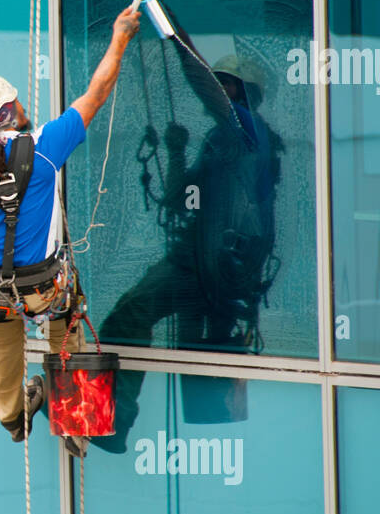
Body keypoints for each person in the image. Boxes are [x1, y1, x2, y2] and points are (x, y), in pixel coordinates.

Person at [0, 4, 140, 455]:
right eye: (15, 103)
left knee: (2, 345)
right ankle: (74, 419)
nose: (22, 106)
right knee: (65, 310)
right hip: (41, 286)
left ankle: (15, 417)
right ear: (6, 112)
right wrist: (120, 36)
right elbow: (97, 92)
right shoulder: (44, 149)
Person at [97, 50, 282, 451]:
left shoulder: (251, 134)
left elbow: (206, 93)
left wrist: (174, 39)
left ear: (247, 94)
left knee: (132, 315)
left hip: (211, 269)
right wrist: (178, 150)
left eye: (227, 84)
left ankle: (114, 421)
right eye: (218, 83)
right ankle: (116, 421)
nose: (219, 91)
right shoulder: (220, 143)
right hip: (205, 262)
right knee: (153, 332)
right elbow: (178, 198)